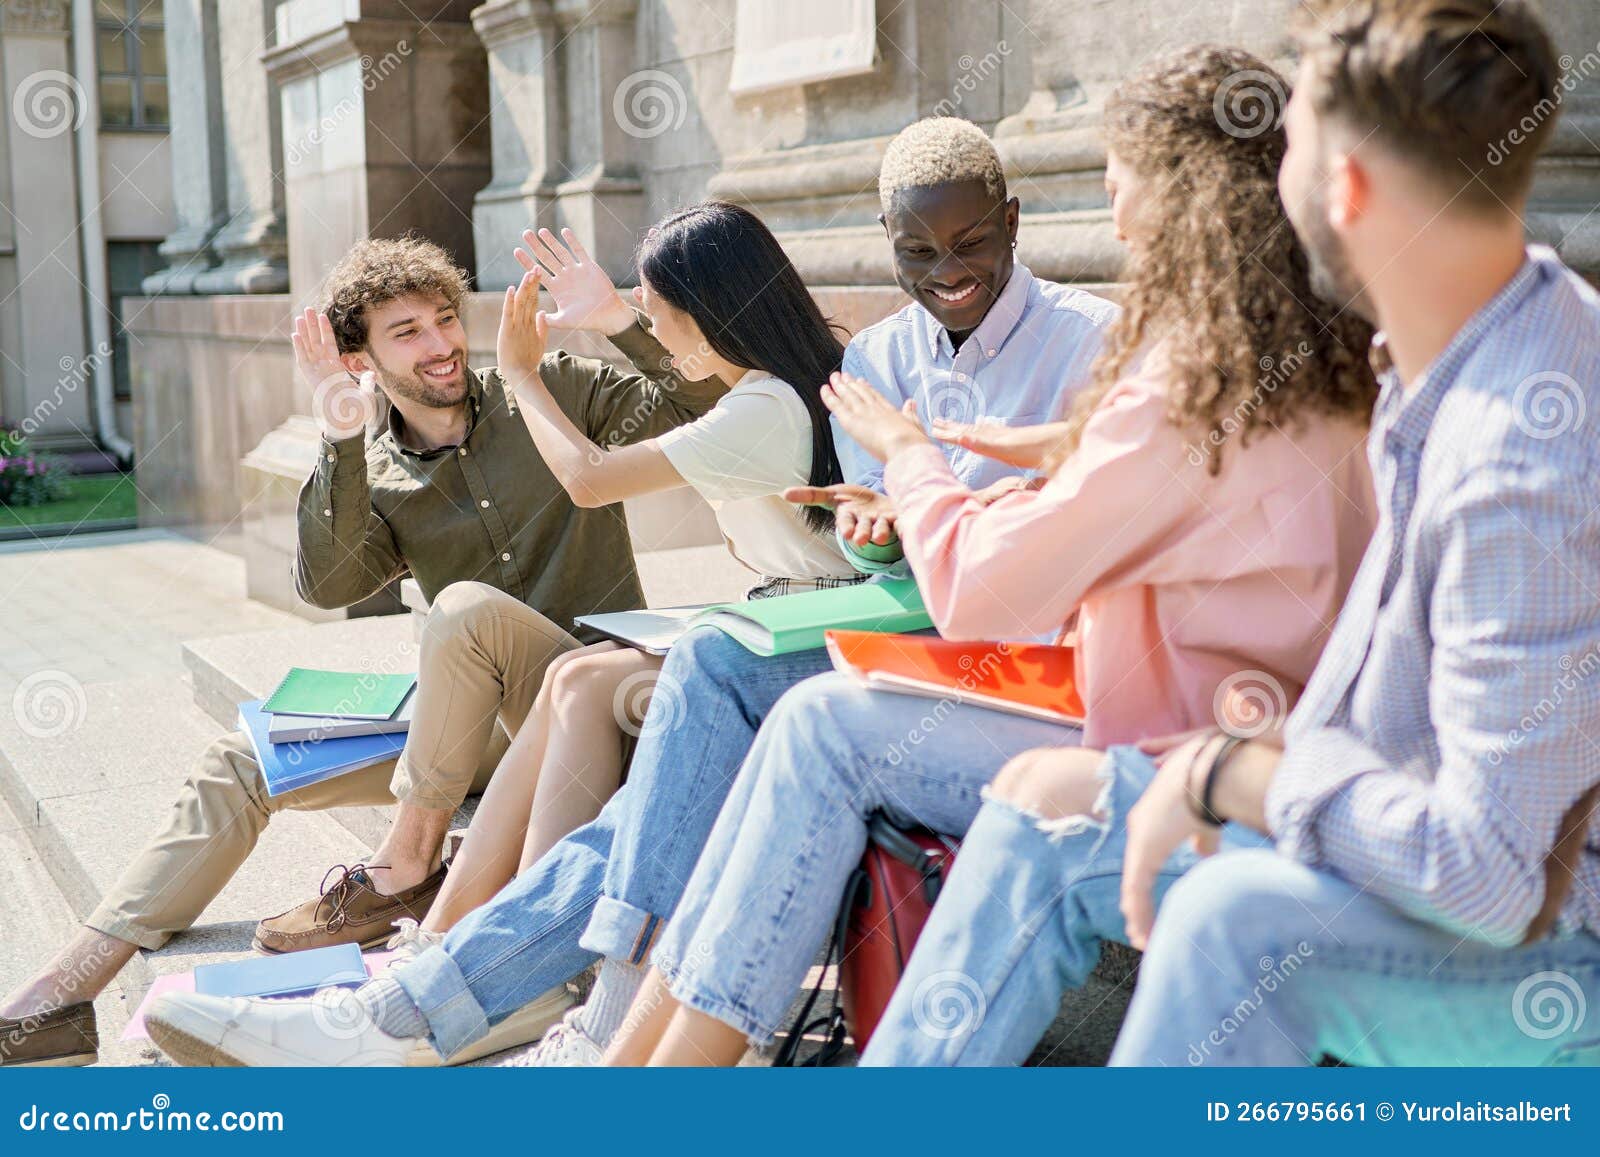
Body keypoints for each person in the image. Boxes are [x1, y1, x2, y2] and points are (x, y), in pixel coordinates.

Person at [137, 117, 1119, 1067]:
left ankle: (493, 1003)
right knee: (665, 741)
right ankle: (416, 999)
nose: (944, 268)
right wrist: (883, 526)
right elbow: (896, 551)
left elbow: (1051, 555)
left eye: (970, 241)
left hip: (1015, 672)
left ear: (1016, 219)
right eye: (915, 249)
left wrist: (927, 494)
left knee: (684, 709)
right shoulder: (878, 358)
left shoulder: (1093, 343)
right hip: (891, 639)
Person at [599, 44, 1381, 1068]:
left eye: (1118, 185)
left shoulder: (1179, 374)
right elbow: (1172, 491)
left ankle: (645, 1074)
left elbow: (979, 588)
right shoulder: (1319, 354)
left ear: (1181, 202)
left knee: (820, 729)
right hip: (1228, 728)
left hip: (1175, 752)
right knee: (798, 718)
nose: (1112, 215)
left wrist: (918, 458)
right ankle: (628, 1068)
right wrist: (1029, 465)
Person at [0, 235, 724, 1068]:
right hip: (481, 732)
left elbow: (702, 408)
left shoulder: (554, 387)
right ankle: (60, 993)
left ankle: (407, 864)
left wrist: (619, 319)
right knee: (246, 756)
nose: (442, 343)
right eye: (407, 331)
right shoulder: (374, 464)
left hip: (588, 711)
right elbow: (331, 579)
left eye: (447, 319)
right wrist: (340, 435)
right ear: (361, 358)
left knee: (463, 611)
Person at [1101, 0, 1600, 1067]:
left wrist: (1227, 773)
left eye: (1292, 147)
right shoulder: (1502, 332)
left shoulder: (1514, 462)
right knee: (1054, 835)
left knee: (1227, 923)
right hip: (1469, 867)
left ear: (1347, 188)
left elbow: (1488, 874)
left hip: (1561, 953)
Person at [400, 203, 862, 948]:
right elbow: (687, 384)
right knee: (572, 677)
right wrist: (614, 316)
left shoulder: (762, 410)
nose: (647, 321)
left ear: (707, 315)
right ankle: (451, 936)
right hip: (789, 620)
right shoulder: (780, 379)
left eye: (655, 308)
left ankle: (521, 945)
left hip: (814, 641)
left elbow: (588, 478)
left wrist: (521, 376)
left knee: (583, 684)